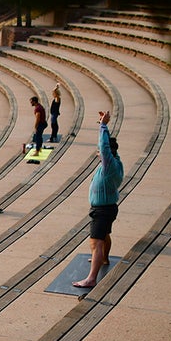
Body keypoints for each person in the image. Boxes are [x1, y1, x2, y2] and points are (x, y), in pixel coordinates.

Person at [74, 111, 124, 289]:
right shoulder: (116, 162)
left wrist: (103, 125)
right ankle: (103, 258)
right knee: (104, 235)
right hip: (107, 208)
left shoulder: (109, 165)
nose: (99, 153)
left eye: (101, 152)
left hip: (102, 210)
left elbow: (104, 147)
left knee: (95, 242)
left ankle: (91, 278)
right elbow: (107, 148)